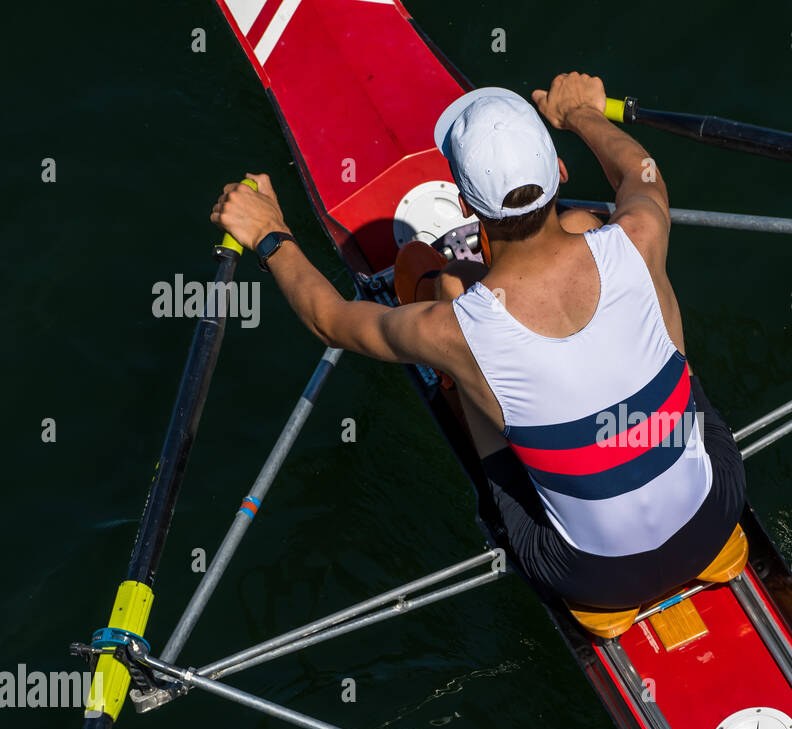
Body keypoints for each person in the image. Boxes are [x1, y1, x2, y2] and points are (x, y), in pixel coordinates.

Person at [212, 72, 745, 609]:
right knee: (592, 229)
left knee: (441, 284)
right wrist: (580, 111)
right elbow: (639, 171)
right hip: (717, 513)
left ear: (465, 203)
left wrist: (269, 233)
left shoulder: (453, 329)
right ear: (558, 173)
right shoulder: (643, 233)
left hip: (595, 581)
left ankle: (457, 383)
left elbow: (329, 320)